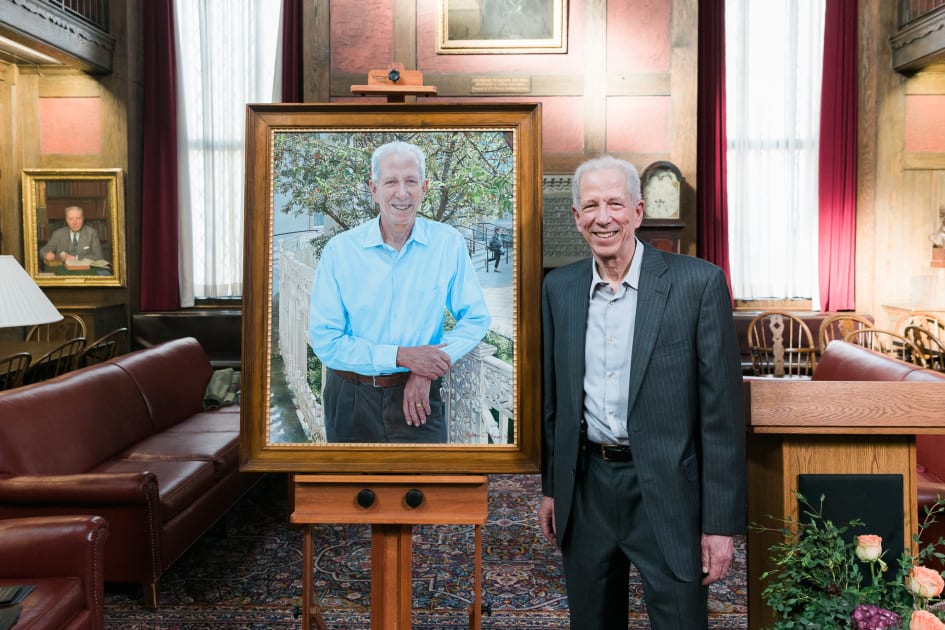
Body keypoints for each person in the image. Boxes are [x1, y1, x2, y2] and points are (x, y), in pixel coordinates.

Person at [538, 156, 745, 629]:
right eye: (591, 206)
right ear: (576, 217)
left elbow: (722, 417)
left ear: (637, 211)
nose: (603, 217)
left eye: (614, 204)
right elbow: (555, 402)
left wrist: (719, 525)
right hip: (586, 487)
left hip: (668, 491)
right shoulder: (559, 288)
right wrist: (552, 487)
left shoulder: (698, 284)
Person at [308, 140, 491, 443]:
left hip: (418, 397)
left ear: (424, 188)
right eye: (391, 181)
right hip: (352, 399)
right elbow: (326, 340)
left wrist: (428, 367)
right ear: (374, 188)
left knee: (427, 475)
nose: (402, 193)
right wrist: (402, 356)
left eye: (411, 181)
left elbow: (476, 318)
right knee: (353, 477)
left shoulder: (448, 244)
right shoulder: (340, 251)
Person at [39, 205, 104, 263]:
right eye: (71, 219)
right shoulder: (58, 234)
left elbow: (99, 257)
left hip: (85, 270)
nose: (74, 222)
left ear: (83, 219)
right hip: (63, 270)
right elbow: (43, 251)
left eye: (78, 218)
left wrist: (75, 258)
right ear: (66, 220)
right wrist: (46, 255)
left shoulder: (92, 233)